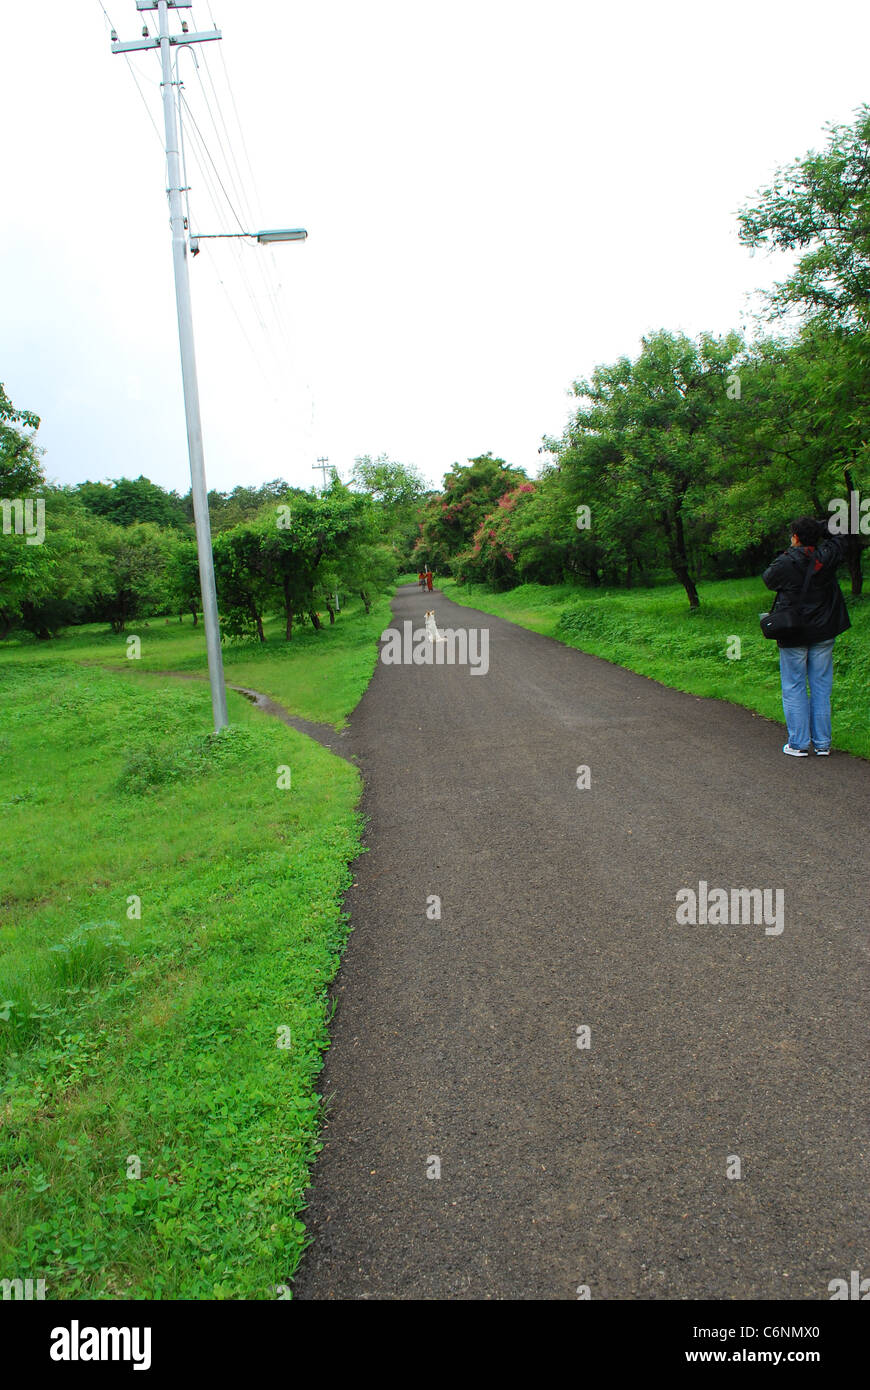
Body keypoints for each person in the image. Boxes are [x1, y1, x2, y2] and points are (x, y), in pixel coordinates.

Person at [762, 516, 850, 756]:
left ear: (796, 537)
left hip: (794, 631)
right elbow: (841, 537)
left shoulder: (785, 562)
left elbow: (768, 580)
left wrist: (799, 543)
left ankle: (799, 743)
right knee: (821, 686)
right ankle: (822, 744)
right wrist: (820, 529)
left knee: (794, 685)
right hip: (824, 630)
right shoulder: (827, 555)